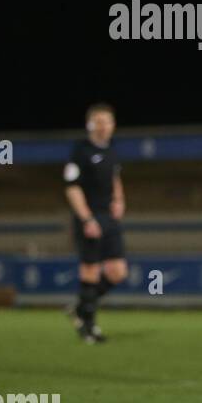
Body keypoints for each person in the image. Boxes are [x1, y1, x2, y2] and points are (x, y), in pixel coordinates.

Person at [63, 103, 128, 343]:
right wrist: (87, 219)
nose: (104, 126)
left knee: (118, 272)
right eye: (99, 122)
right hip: (88, 217)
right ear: (90, 124)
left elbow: (115, 177)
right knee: (90, 272)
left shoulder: (112, 150)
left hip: (109, 217)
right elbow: (72, 188)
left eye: (108, 122)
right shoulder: (80, 151)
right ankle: (88, 327)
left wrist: (119, 200)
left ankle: (79, 307)